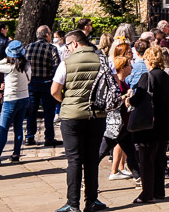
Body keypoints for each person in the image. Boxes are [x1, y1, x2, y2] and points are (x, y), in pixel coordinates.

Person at [50, 30, 107, 212]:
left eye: (67, 46)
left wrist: (66, 101)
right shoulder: (103, 61)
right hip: (96, 115)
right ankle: (92, 201)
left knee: (74, 160)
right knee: (91, 159)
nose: (66, 49)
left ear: (74, 44)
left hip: (72, 116)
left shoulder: (66, 63)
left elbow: (54, 90)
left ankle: (72, 204)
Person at [127, 47, 169, 203]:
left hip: (149, 126)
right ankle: (159, 191)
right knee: (159, 159)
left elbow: (138, 98)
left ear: (150, 60)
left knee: (146, 160)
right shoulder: (166, 77)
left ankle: (146, 194)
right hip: (164, 124)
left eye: (146, 59)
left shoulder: (147, 77)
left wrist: (129, 99)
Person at [0, 40, 30, 165]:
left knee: (3, 129)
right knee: (18, 127)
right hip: (24, 98)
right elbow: (29, 80)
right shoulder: (27, 65)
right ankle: (16, 154)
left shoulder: (9, 67)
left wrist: (7, 58)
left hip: (11, 100)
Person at [100, 56, 139, 182]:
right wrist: (125, 97)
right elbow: (111, 102)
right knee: (100, 153)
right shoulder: (114, 83)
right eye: (129, 65)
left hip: (124, 124)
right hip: (115, 125)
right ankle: (85, 179)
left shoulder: (123, 83)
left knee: (132, 153)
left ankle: (139, 178)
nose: (132, 67)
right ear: (122, 68)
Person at [24, 25, 61, 147]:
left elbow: (24, 65)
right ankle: (49, 137)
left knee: (31, 110)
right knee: (49, 111)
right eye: (50, 34)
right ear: (46, 35)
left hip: (31, 83)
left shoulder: (28, 47)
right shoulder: (51, 48)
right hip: (46, 82)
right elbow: (57, 67)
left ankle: (29, 136)